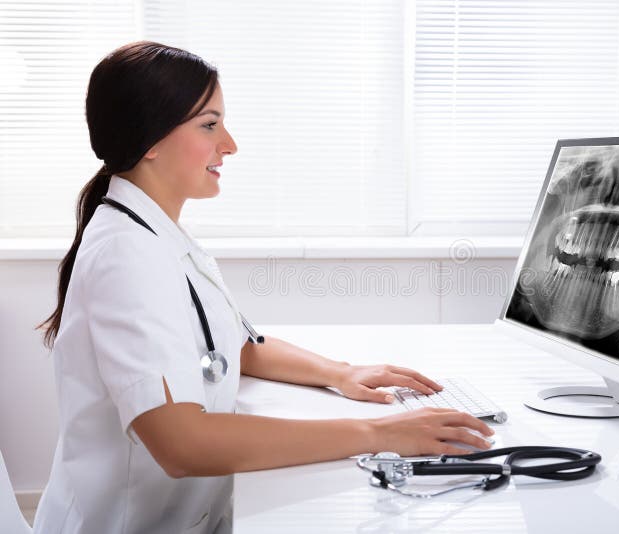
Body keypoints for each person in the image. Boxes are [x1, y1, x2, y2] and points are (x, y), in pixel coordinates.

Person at [33, 41, 493, 534]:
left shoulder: (156, 235)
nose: (229, 144)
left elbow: (230, 345)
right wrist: (378, 433)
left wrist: (340, 373)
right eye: (209, 125)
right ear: (150, 138)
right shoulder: (125, 255)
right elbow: (182, 444)